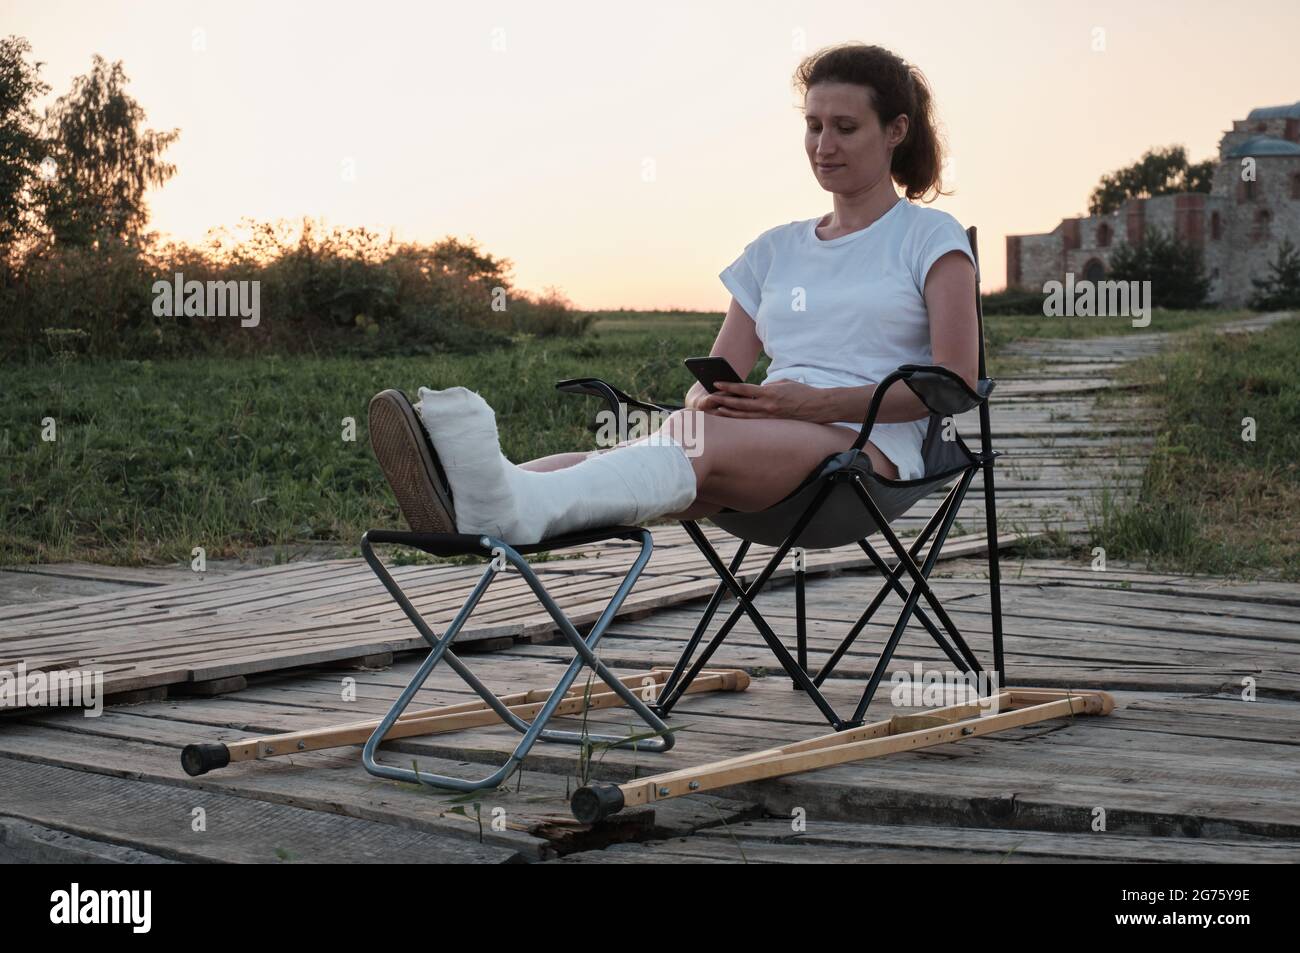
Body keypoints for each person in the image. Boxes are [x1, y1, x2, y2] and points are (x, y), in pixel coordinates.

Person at [368, 42, 979, 547]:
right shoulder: (775, 249)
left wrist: (810, 405)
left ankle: (496, 503)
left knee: (690, 442)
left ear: (896, 130)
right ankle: (470, 499)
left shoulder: (929, 239)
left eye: (846, 128)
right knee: (637, 447)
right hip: (760, 442)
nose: (824, 146)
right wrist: (711, 399)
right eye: (814, 126)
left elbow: (952, 385)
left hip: (866, 458)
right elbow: (717, 374)